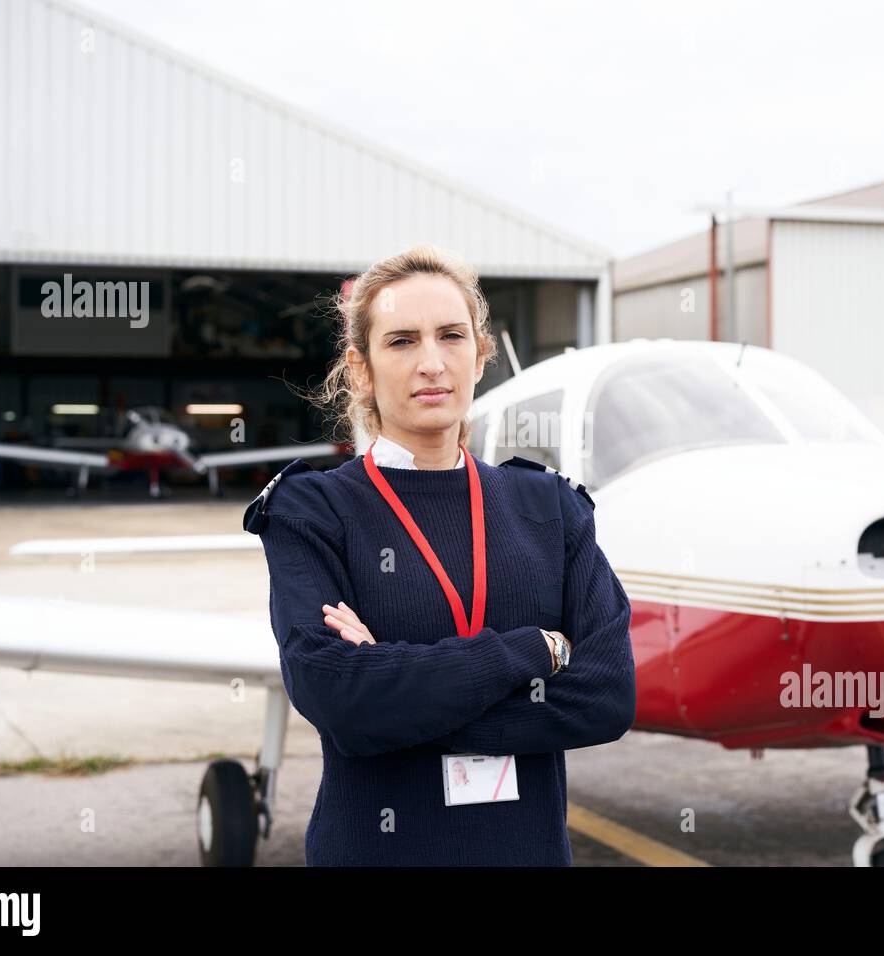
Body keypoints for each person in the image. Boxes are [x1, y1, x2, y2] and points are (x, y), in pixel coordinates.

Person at [243, 244, 636, 866]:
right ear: (362, 368)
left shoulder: (551, 508)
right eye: (401, 341)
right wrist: (532, 650)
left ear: (480, 356)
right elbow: (339, 699)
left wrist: (397, 706)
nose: (432, 363)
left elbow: (607, 696)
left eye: (451, 336)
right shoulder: (310, 512)